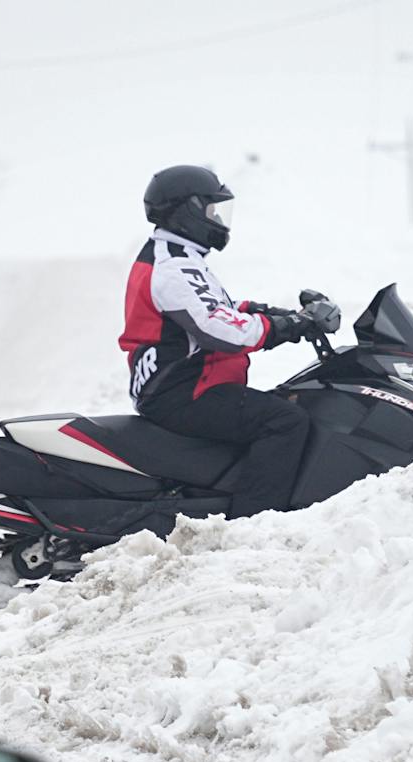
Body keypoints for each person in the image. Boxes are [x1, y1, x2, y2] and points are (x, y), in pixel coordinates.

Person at [118, 165, 320, 519]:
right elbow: (217, 328)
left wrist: (273, 313)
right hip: (183, 392)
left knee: (284, 400)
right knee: (285, 421)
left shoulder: (177, 257)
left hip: (183, 386)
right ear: (187, 212)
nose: (219, 221)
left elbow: (214, 309)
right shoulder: (172, 267)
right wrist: (284, 327)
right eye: (213, 211)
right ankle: (252, 523)